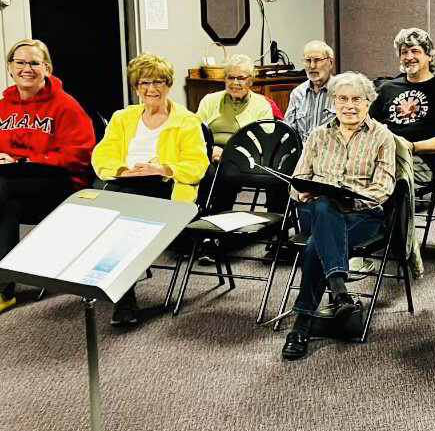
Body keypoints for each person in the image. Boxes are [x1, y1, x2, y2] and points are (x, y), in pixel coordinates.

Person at [281, 72, 397, 361]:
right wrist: (302, 193)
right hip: (316, 211)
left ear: (368, 102)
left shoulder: (382, 137)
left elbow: (383, 188)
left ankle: (302, 323)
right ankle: (338, 291)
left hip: (361, 215)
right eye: (342, 99)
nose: (349, 105)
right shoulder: (318, 135)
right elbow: (297, 180)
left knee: (315, 244)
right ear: (333, 102)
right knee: (323, 206)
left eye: (357, 99)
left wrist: (348, 197)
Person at [92, 54, 210, 325]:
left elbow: (197, 166)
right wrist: (123, 170)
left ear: (168, 85)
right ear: (136, 87)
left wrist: (163, 169)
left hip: (164, 187)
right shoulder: (122, 118)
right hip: (124, 183)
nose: (151, 89)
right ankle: (120, 290)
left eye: (158, 82)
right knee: (115, 203)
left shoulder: (186, 121)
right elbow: (102, 156)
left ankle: (123, 299)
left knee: (118, 212)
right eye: (144, 83)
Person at [0, 39, 96, 312]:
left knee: (2, 188)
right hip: (11, 187)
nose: (26, 68)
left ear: (47, 68)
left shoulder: (65, 105)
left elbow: (79, 155)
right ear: (10, 67)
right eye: (20, 62)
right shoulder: (3, 106)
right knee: (7, 205)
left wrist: (26, 161)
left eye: (34, 63)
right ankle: (3, 291)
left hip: (60, 184)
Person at [369, 27, 435, 189]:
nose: (409, 57)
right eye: (404, 52)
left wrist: (411, 147)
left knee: (383, 180)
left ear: (429, 56)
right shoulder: (386, 89)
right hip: (383, 157)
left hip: (420, 163)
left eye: (415, 51)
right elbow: (367, 126)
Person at [196, 54, 275, 212]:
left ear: (250, 80)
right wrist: (209, 150)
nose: (235, 83)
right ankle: (199, 214)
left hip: (245, 157)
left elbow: (264, 142)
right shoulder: (209, 100)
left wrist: (229, 153)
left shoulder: (261, 105)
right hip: (210, 153)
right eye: (230, 77)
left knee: (225, 173)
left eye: (241, 78)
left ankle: (218, 215)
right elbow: (195, 131)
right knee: (204, 171)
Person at [284, 40, 335, 141]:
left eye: (317, 60)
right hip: (304, 150)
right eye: (308, 60)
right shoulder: (297, 94)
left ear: (330, 62)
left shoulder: (341, 92)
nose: (312, 66)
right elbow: (288, 132)